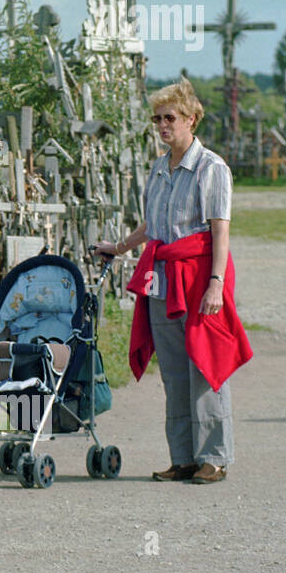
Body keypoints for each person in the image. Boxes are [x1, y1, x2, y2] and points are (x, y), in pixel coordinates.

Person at [93, 79, 251, 484]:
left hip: (199, 279)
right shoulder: (159, 167)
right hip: (162, 281)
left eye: (171, 118)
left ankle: (214, 458)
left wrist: (216, 283)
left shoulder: (211, 167)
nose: (163, 126)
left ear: (191, 120)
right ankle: (183, 458)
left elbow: (220, 231)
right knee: (175, 373)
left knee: (206, 364)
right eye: (158, 119)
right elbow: (156, 224)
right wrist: (121, 246)